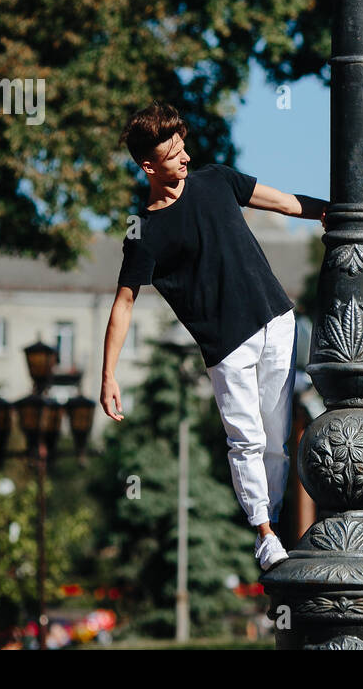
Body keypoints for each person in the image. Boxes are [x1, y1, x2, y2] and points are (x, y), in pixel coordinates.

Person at [102, 102, 328, 571]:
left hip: (276, 320)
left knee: (276, 440)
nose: (185, 159)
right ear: (148, 166)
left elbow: (286, 203)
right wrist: (108, 375)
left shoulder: (217, 179)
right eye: (173, 154)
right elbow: (123, 303)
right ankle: (265, 534)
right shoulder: (143, 230)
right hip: (227, 347)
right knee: (245, 440)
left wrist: (342, 213)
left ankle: (277, 525)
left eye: (184, 148)